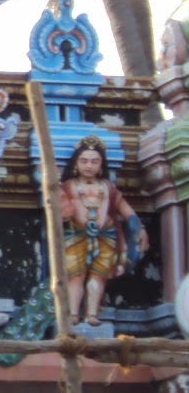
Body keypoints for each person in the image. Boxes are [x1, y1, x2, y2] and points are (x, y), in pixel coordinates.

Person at [58, 136, 147, 327]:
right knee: (75, 275)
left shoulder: (108, 188)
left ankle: (91, 314)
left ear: (101, 165)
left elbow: (126, 211)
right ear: (75, 164)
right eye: (84, 161)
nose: (89, 166)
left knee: (98, 276)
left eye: (94, 161)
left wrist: (140, 229)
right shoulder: (69, 186)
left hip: (106, 236)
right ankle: (73, 313)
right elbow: (59, 212)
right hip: (75, 236)